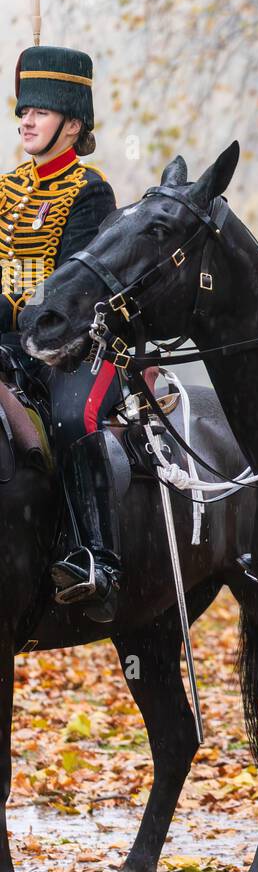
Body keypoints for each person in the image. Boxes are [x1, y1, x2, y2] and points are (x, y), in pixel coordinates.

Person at [0, 40, 123, 621]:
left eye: (40, 111)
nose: (26, 118)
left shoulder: (90, 191)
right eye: (24, 109)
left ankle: (95, 555)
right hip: (8, 342)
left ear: (72, 125)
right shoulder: (6, 190)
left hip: (69, 350)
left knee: (75, 418)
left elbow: (65, 291)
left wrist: (10, 312)